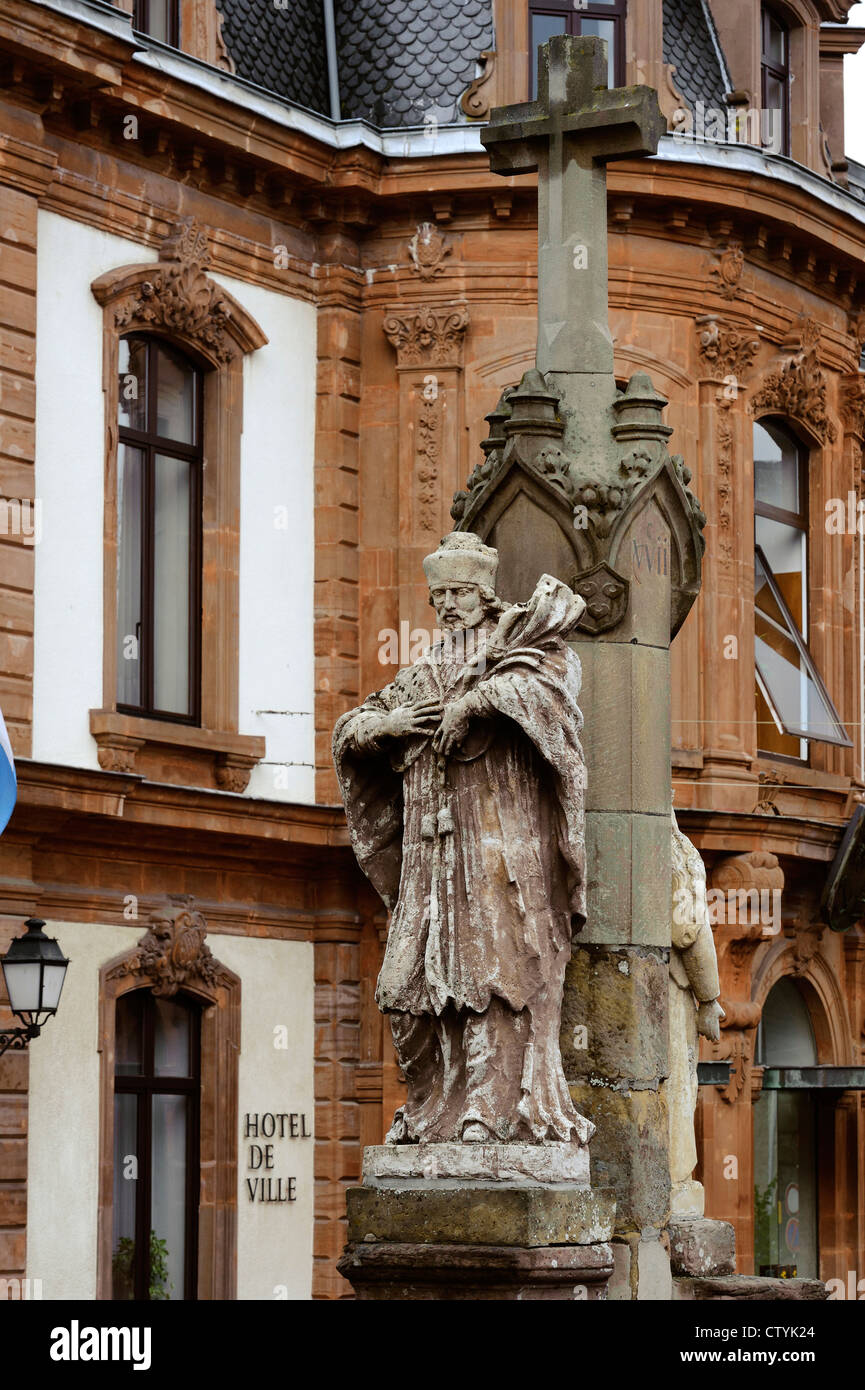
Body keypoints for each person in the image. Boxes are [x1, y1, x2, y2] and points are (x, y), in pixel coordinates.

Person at [333, 532, 593, 1145]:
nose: (448, 604)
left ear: (483, 593)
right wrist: (385, 726)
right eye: (439, 594)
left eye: (459, 592)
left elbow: (554, 691)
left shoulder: (518, 648)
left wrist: (477, 703)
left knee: (490, 974)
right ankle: (431, 1107)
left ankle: (491, 1109)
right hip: (430, 846)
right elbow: (350, 728)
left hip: (495, 841)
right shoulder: (425, 667)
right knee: (408, 985)